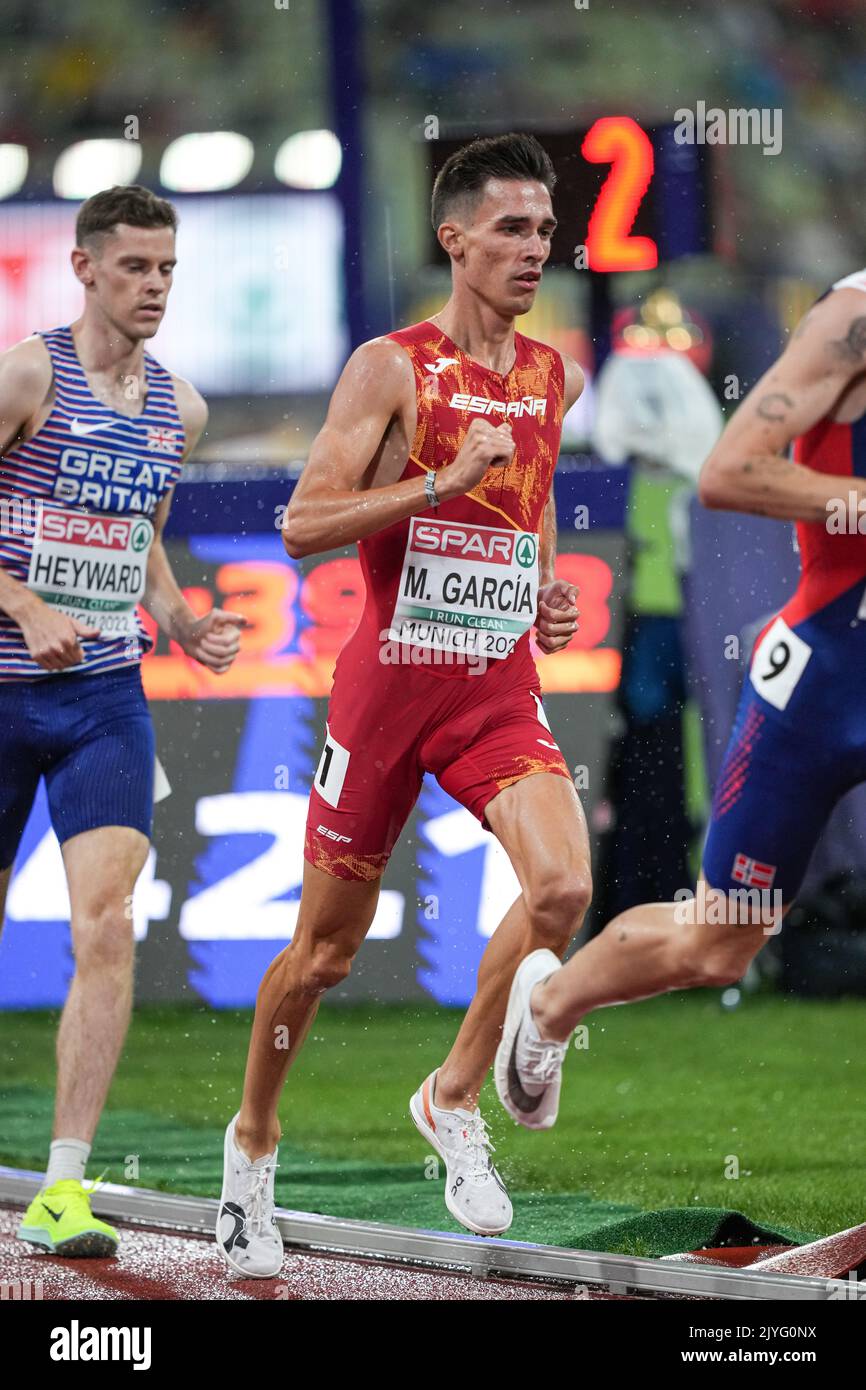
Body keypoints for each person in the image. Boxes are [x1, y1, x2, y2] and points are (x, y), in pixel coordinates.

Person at [216, 132, 587, 1277]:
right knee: (320, 956)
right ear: (454, 237)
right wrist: (436, 480)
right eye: (512, 228)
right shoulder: (392, 368)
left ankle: (452, 1093)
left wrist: (541, 588)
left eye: (542, 228)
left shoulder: (547, 374)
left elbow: (527, 510)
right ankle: (251, 1151)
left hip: (490, 688)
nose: (535, 248)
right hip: (385, 692)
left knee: (563, 888)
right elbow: (300, 523)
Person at [495, 269, 866, 1132]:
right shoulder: (851, 319)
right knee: (719, 942)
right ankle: (552, 1001)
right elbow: (729, 471)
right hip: (826, 676)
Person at [0, 183, 243, 1257]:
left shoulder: (177, 409)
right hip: (4, 688)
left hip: (105, 696)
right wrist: (19, 600)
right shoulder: (25, 374)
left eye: (167, 270)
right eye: (135, 267)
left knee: (105, 927)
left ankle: (63, 1186)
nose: (153, 287)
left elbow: (135, 525)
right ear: (86, 268)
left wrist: (181, 617)